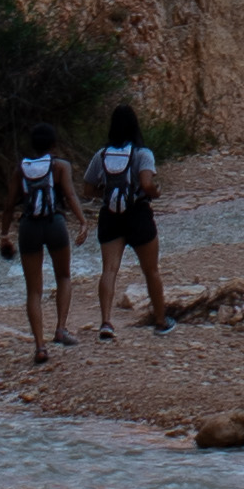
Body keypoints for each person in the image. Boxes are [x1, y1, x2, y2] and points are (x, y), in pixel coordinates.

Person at [5, 137, 81, 361]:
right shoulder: (60, 166)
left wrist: (3, 235)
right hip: (54, 224)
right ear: (53, 145)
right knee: (64, 277)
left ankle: (39, 347)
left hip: (28, 227)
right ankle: (60, 329)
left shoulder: (21, 168)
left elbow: (10, 203)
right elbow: (70, 195)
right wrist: (83, 222)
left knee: (33, 291)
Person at [91, 114, 167, 337]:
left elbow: (87, 189)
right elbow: (146, 183)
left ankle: (106, 322)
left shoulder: (101, 155)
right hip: (138, 215)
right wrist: (156, 191)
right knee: (151, 270)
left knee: (109, 270)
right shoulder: (143, 154)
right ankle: (161, 321)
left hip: (110, 216)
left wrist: (109, 193)